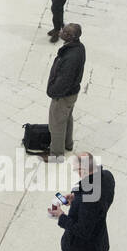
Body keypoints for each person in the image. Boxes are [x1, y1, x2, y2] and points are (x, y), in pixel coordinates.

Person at [44, 24, 85, 161]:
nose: (61, 31)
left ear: (71, 37)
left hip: (63, 95)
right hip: (72, 93)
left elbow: (64, 80)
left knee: (56, 123)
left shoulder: (71, 57)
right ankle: (68, 144)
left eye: (65, 31)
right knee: (67, 117)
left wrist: (53, 92)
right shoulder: (79, 47)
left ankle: (56, 155)